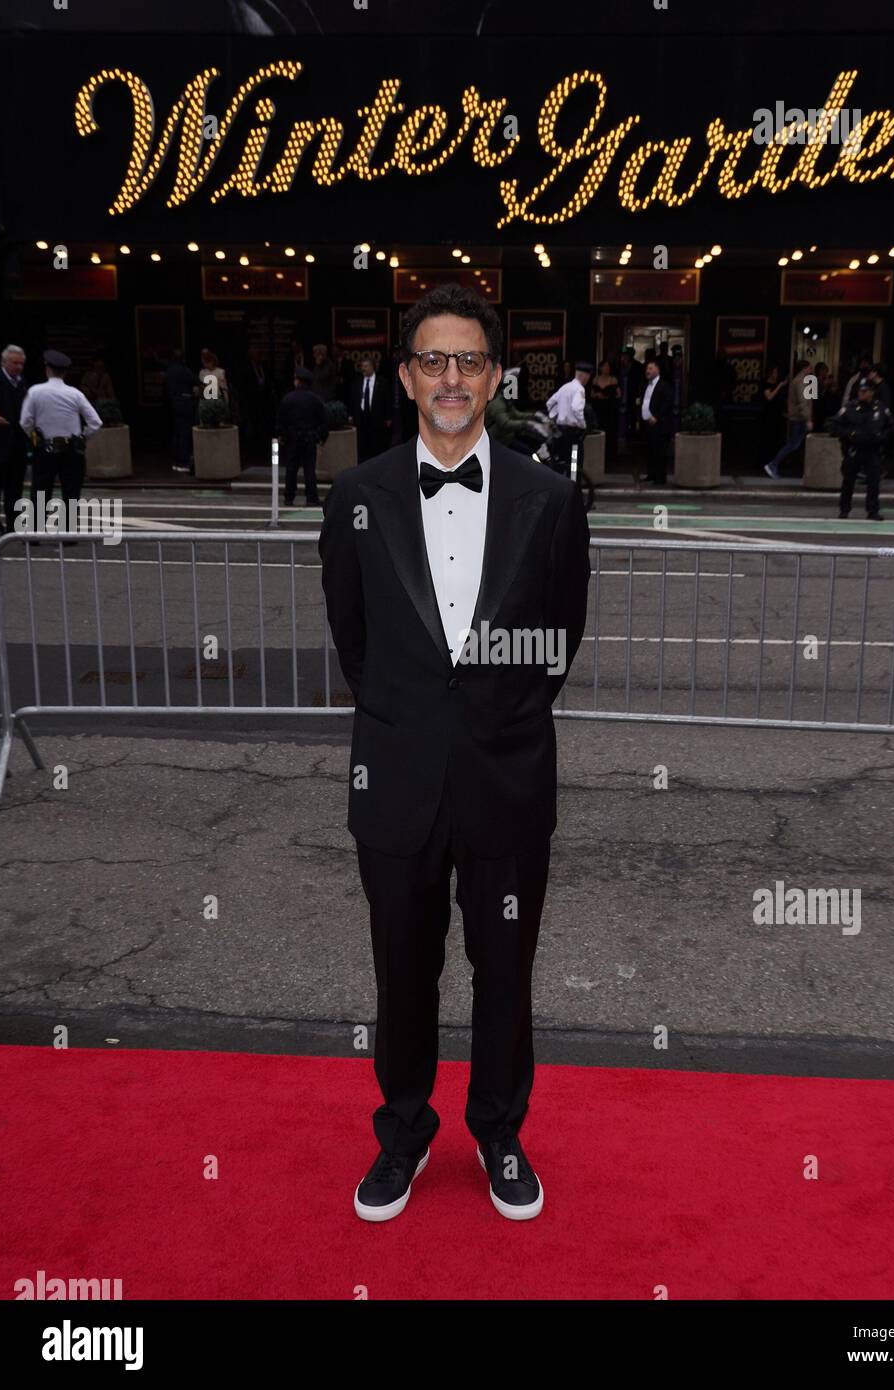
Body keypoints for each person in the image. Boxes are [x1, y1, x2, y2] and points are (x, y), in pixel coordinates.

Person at [318, 282, 591, 1223]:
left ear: (496, 376)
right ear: (404, 376)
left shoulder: (551, 499)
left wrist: (493, 716)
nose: (450, 377)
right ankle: (402, 1132)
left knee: (505, 969)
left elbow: (557, 642)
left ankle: (500, 1130)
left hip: (507, 778)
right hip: (394, 779)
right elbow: (354, 642)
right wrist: (414, 718)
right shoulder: (355, 497)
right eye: (431, 359)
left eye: (468, 360)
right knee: (401, 970)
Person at [19, 350, 102, 537]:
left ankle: (35, 533)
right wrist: (82, 437)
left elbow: (25, 421)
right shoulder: (75, 394)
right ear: (65, 372)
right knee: (71, 492)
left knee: (40, 491)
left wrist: (35, 436)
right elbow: (95, 422)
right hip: (71, 449)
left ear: (47, 369)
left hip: (45, 447)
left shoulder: (35, 392)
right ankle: (68, 534)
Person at [828, 378, 892, 520]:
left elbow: (890, 427)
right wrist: (849, 435)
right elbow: (833, 425)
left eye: (865, 391)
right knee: (848, 481)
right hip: (854, 449)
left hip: (873, 450)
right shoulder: (850, 407)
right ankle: (844, 509)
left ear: (872, 392)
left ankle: (872, 510)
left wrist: (881, 437)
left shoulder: (880, 409)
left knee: (874, 482)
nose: (861, 394)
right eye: (860, 391)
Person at [276, 365, 328, 506]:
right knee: (309, 469)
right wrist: (322, 437)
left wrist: (281, 435)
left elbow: (281, 419)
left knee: (291, 468)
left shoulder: (288, 398)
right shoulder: (315, 399)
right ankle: (311, 498)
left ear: (297, 381)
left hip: (292, 438)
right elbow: (323, 420)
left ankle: (289, 497)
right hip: (309, 438)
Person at [0, 343, 29, 536]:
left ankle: (14, 526)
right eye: (15, 363)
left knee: (14, 489)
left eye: (21, 364)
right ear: (4, 362)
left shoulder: (21, 382)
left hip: (17, 445)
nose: (18, 367)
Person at [764, 359, 813, 479]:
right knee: (793, 444)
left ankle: (775, 465)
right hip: (799, 418)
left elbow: (809, 400)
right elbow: (802, 401)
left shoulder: (804, 381)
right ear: (804, 369)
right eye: (809, 368)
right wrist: (808, 419)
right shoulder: (800, 381)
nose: (811, 370)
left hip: (800, 417)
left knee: (796, 444)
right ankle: (773, 464)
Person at [546, 360, 592, 467]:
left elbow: (550, 403)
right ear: (584, 376)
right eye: (588, 376)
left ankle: (562, 483)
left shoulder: (565, 387)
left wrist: (558, 415)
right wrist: (582, 425)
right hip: (573, 434)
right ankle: (573, 483)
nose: (588, 379)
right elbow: (576, 409)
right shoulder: (579, 389)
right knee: (574, 463)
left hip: (560, 431)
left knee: (562, 462)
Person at [638, 358, 673, 484]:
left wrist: (656, 416)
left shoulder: (664, 385)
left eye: (650, 368)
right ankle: (651, 474)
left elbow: (668, 403)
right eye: (647, 369)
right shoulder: (645, 385)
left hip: (660, 424)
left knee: (660, 452)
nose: (647, 371)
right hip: (647, 424)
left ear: (658, 370)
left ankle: (660, 478)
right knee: (650, 451)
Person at [351, 354, 391, 461]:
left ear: (373, 367)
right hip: (362, 418)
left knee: (377, 446)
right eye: (362, 366)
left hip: (377, 418)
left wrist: (388, 417)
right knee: (362, 446)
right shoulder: (357, 381)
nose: (363, 368)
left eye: (366, 366)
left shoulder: (382, 382)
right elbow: (354, 400)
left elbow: (387, 400)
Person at [163, 349, 198, 475]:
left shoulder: (169, 370)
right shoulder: (183, 370)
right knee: (184, 432)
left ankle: (176, 460)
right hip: (185, 403)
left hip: (174, 403)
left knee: (177, 432)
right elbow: (195, 380)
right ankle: (183, 461)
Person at [589, 358, 620, 469]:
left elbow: (618, 394)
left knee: (610, 434)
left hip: (609, 410)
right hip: (599, 410)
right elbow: (591, 395)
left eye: (608, 366)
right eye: (604, 366)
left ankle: (609, 460)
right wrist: (597, 396)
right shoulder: (595, 380)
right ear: (600, 368)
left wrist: (608, 396)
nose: (607, 368)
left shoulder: (613, 379)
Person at [759, 364, 787, 465]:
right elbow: (769, 397)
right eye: (774, 372)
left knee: (776, 438)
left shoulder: (777, 383)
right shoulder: (765, 383)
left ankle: (774, 460)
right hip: (768, 414)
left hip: (777, 414)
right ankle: (764, 461)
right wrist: (779, 386)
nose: (776, 374)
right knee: (767, 437)